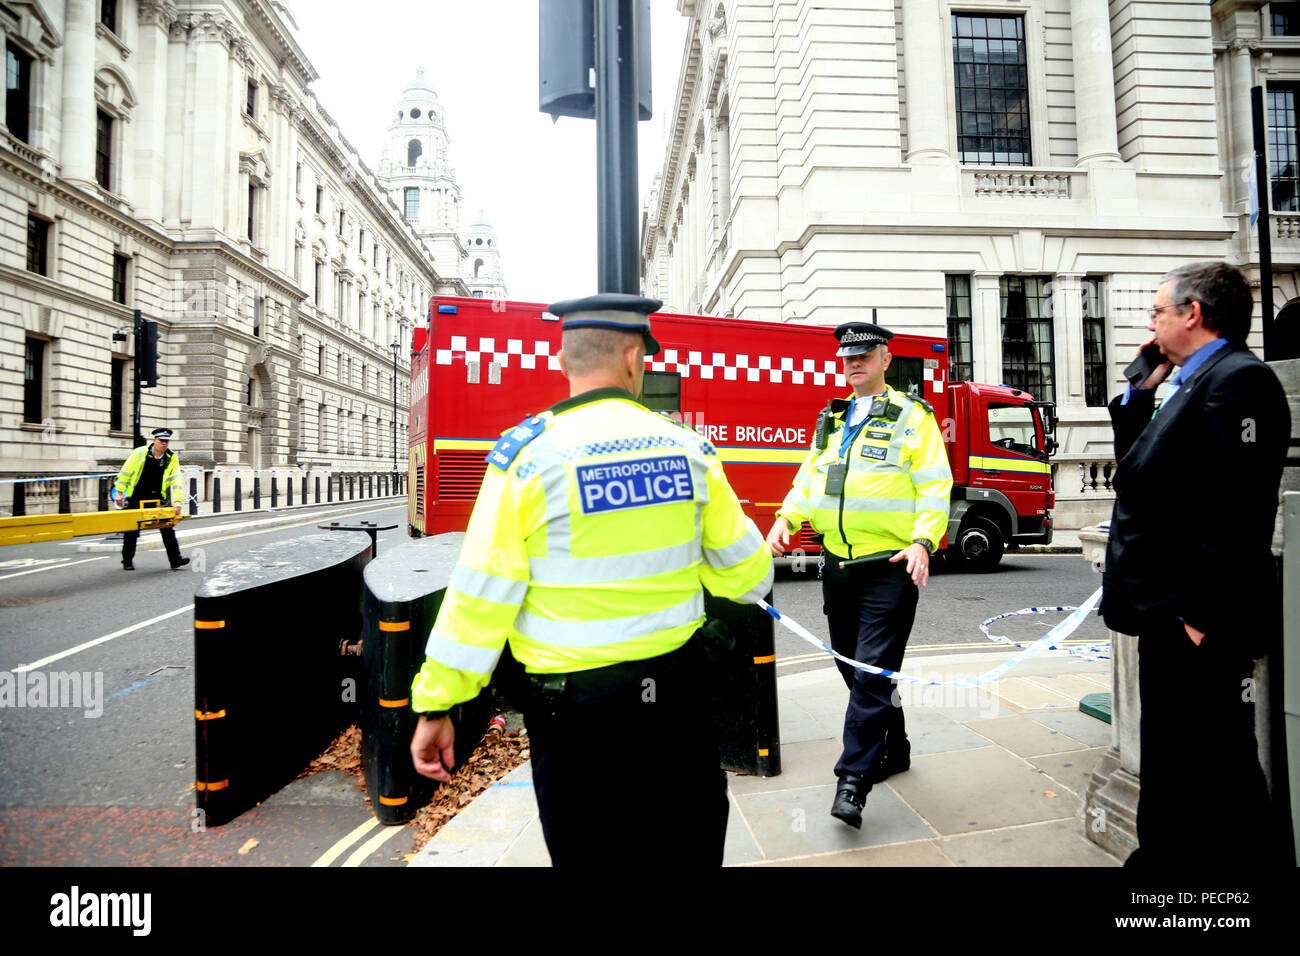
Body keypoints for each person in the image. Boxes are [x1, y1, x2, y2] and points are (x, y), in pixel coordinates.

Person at [408, 293, 773, 866]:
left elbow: (480, 597)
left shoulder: (525, 459)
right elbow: (748, 576)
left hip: (575, 716)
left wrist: (438, 704)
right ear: (634, 358)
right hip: (674, 701)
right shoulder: (690, 450)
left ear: (563, 360)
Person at [1102, 261, 1290, 867]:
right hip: (1168, 610)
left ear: (1194, 314)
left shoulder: (1241, 382)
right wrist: (1139, 394)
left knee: (1220, 768)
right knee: (1175, 759)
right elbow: (1142, 477)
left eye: (1158, 311)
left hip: (1197, 618)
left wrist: (1200, 615)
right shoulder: (1188, 380)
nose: (1150, 323)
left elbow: (1236, 508)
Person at [766, 322, 952, 829]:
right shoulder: (834, 414)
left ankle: (853, 780)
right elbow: (811, 475)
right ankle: (896, 744)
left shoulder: (913, 417)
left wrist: (923, 540)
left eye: (865, 355)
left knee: (870, 673)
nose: (854, 363)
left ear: (886, 359)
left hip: (889, 567)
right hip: (838, 568)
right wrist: (787, 516)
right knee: (853, 668)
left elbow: (935, 483)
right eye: (848, 356)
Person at [113, 427, 189, 571]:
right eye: (161, 440)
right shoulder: (139, 453)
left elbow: (176, 480)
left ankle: (175, 560)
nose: (164, 444)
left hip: (157, 497)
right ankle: (127, 560)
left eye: (167, 441)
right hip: (137, 495)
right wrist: (120, 492)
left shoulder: (171, 457)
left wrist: (178, 501)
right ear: (154, 440)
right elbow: (126, 473)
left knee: (167, 527)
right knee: (132, 530)